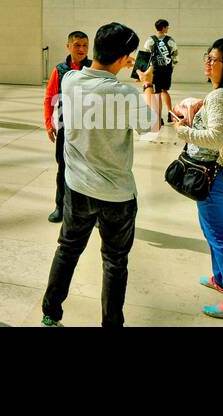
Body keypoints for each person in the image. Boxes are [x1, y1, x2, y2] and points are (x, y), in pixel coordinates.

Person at [41, 22, 159, 327]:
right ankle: (111, 323)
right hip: (117, 195)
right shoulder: (126, 94)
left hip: (77, 187)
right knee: (115, 262)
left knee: (67, 249)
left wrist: (117, 64)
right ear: (123, 58)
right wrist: (146, 84)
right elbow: (150, 125)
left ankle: (51, 312)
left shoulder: (69, 81)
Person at [169, 38, 223, 320]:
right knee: (210, 231)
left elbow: (217, 138)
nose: (208, 62)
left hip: (214, 175)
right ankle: (220, 278)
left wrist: (182, 130)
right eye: (208, 57)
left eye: (214, 59)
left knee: (218, 237)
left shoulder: (219, 97)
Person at [44, 30, 91, 223]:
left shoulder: (93, 68)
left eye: (85, 45)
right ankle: (60, 207)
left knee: (90, 168)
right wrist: (49, 123)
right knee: (63, 167)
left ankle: (92, 211)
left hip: (89, 128)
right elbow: (49, 99)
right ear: (68, 46)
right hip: (66, 128)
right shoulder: (60, 70)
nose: (82, 49)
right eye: (77, 45)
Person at [141, 19, 178, 133]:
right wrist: (172, 65)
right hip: (166, 69)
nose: (168, 29)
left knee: (157, 92)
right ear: (164, 28)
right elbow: (175, 53)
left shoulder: (150, 41)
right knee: (164, 90)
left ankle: (158, 117)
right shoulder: (170, 40)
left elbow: (145, 54)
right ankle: (170, 113)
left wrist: (147, 69)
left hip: (155, 69)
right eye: (167, 27)